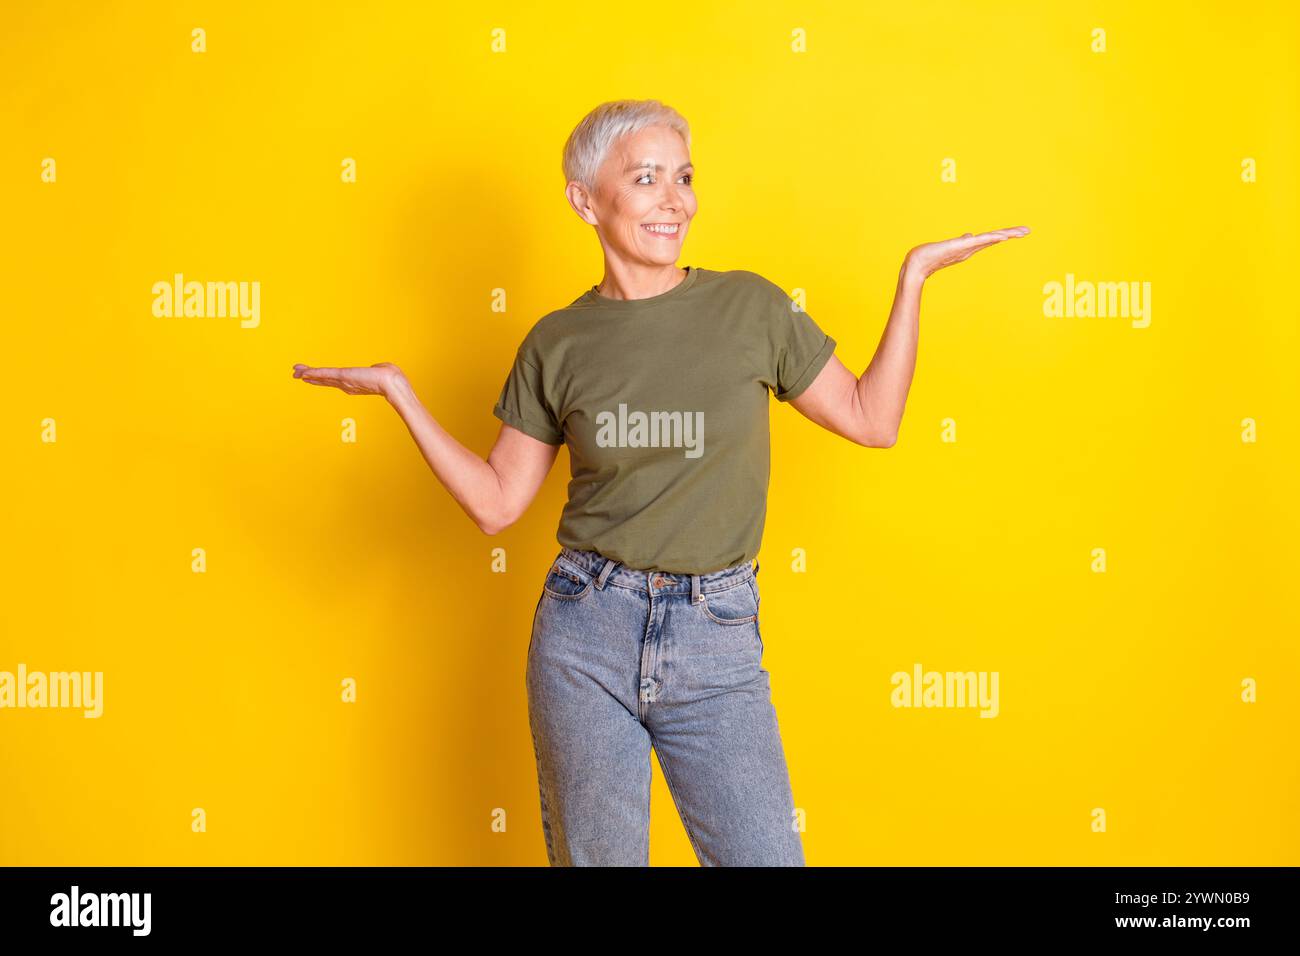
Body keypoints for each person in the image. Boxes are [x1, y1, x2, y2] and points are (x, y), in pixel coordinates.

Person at [292, 98, 1029, 865]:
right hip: (584, 633)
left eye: (682, 176)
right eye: (646, 179)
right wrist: (401, 395)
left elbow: (872, 419)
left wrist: (912, 280)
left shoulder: (750, 307)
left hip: (716, 632)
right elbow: (495, 503)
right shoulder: (557, 342)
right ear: (585, 199)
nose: (675, 199)